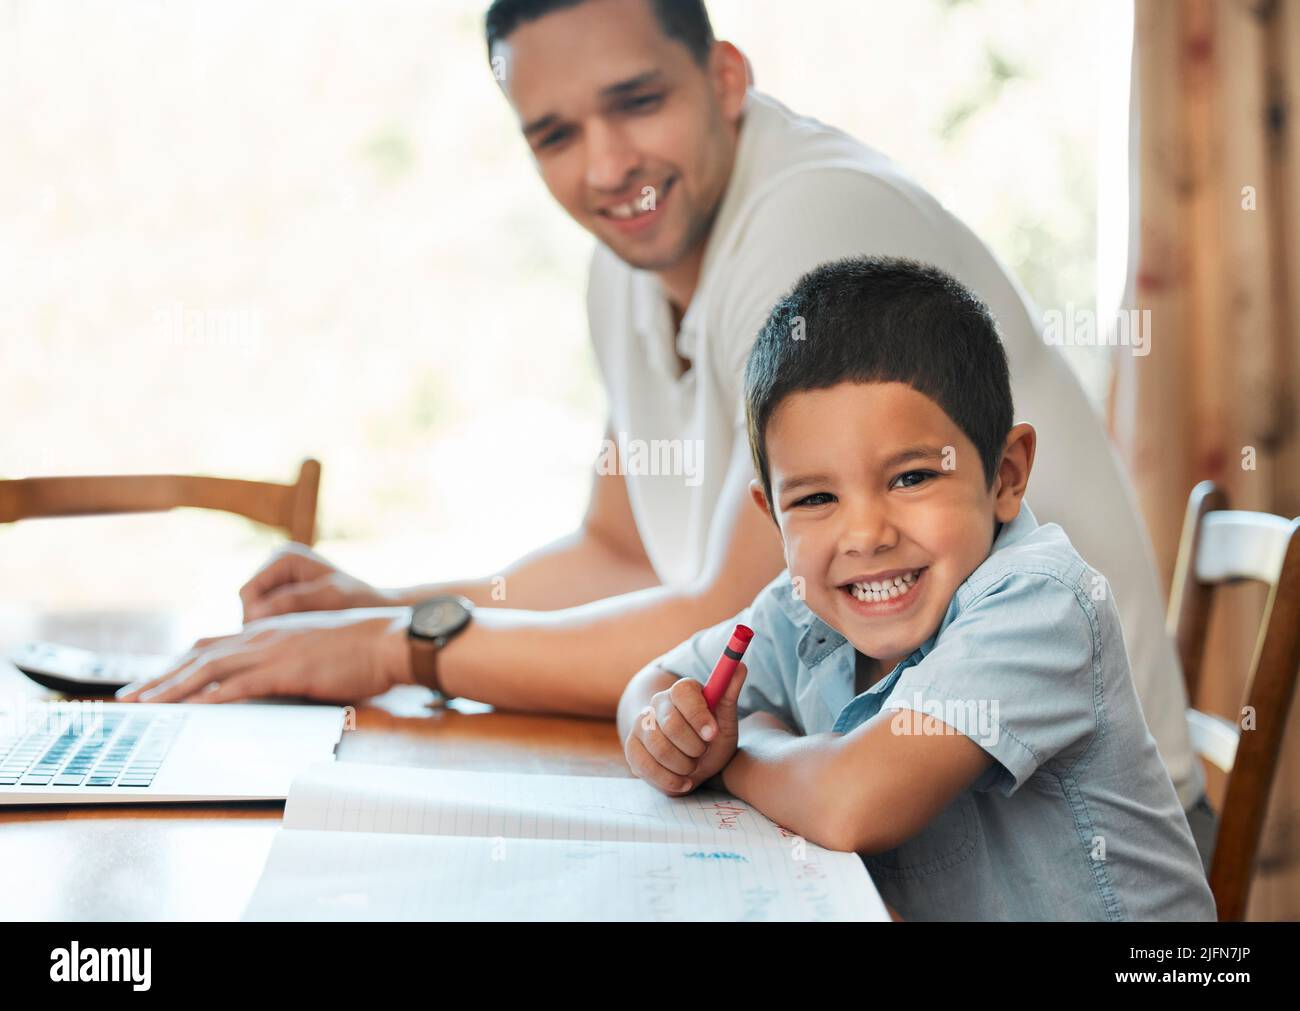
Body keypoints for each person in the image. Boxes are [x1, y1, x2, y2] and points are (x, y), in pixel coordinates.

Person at [117, 0, 1212, 864]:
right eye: (554, 134)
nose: (603, 167)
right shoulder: (633, 267)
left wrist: (389, 651)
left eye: (635, 103)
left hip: (1057, 849)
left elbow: (713, 613)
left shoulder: (806, 230)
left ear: (725, 79)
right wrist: (396, 603)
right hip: (903, 830)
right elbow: (621, 553)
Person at [618, 256, 1216, 920]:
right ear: (773, 517)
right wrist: (663, 730)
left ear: (1005, 475)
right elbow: (653, 681)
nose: (866, 534)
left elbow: (853, 799)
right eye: (816, 497)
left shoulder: (1039, 601)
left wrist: (741, 748)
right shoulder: (800, 608)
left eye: (911, 478)